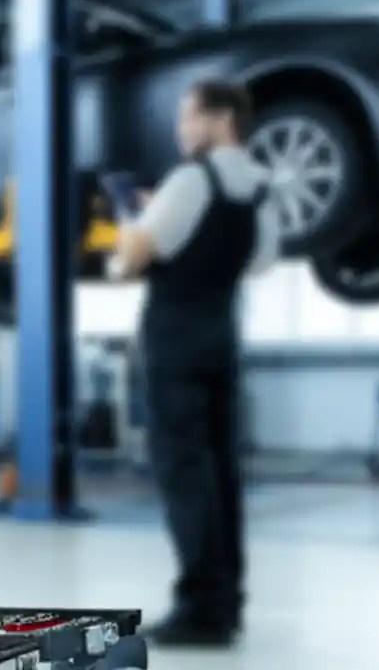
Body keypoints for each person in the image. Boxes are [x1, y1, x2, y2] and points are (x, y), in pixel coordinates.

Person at [107, 80, 280, 647]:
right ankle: (226, 604)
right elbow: (260, 263)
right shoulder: (262, 189)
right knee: (221, 472)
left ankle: (199, 610)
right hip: (222, 337)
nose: (183, 132)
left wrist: (135, 221)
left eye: (189, 118)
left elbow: (130, 261)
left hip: (175, 341)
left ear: (221, 119)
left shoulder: (190, 180)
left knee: (183, 472)